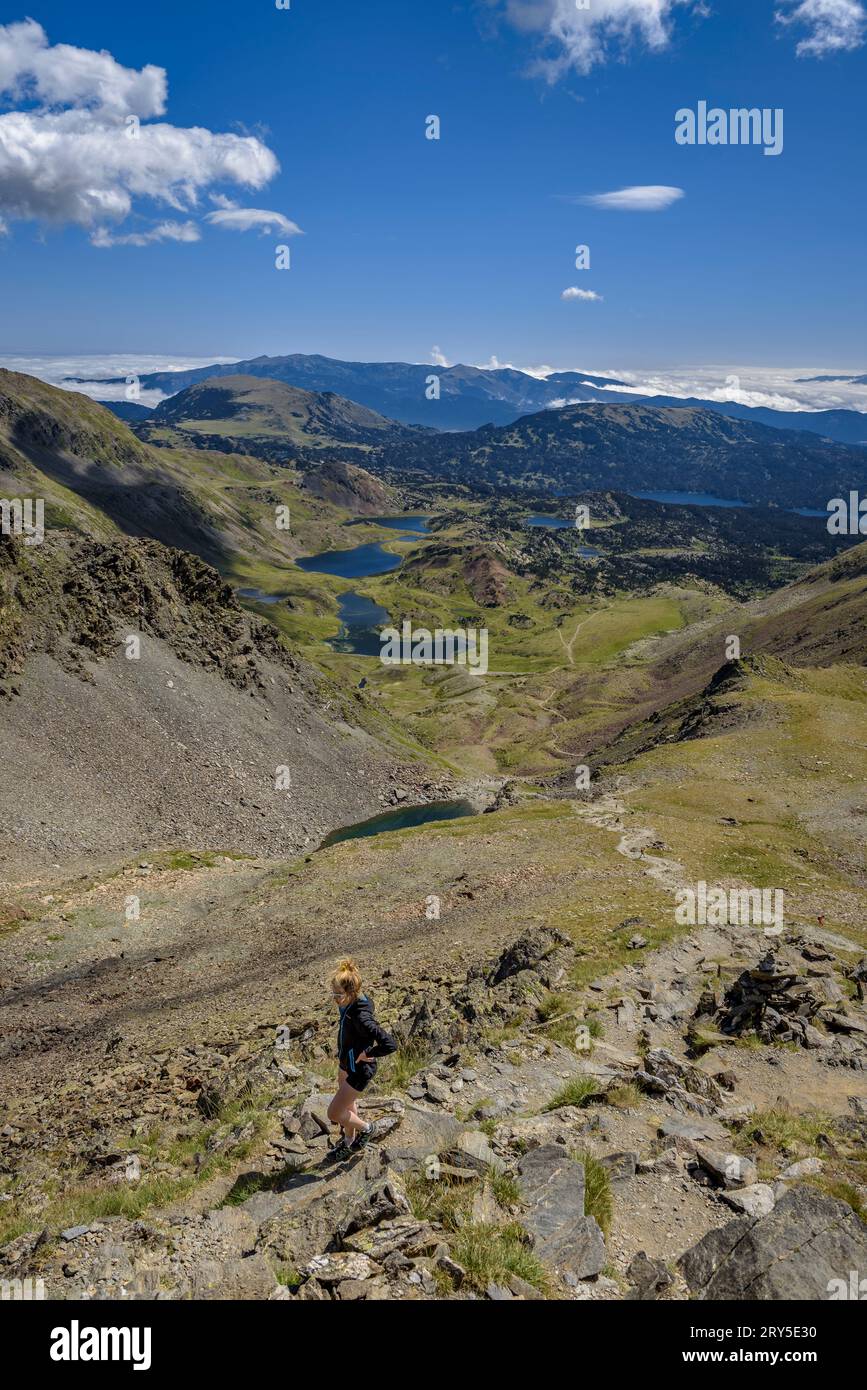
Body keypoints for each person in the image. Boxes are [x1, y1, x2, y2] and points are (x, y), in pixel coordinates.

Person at [326, 957, 397, 1158]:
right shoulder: (350, 1002)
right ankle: (348, 1142)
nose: (335, 999)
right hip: (346, 1063)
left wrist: (369, 1053)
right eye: (333, 993)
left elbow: (390, 1044)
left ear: (351, 993)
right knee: (348, 1106)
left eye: (338, 994)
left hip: (359, 1070)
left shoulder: (361, 1016)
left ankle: (367, 1128)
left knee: (334, 1113)